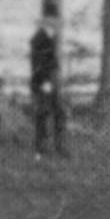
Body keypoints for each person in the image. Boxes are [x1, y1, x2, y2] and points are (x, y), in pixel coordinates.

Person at [30, 14, 68, 158]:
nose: (57, 27)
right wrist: (45, 82)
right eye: (53, 24)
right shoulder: (40, 40)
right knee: (47, 113)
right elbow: (39, 65)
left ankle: (53, 146)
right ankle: (44, 147)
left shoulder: (47, 39)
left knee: (56, 113)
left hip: (50, 80)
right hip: (45, 82)